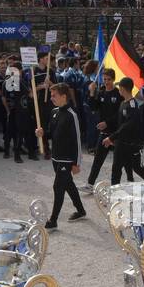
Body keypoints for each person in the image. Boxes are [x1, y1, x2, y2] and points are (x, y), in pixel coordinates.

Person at [37, 82, 86, 230]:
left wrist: (77, 163)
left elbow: (77, 140)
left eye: (54, 95)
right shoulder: (54, 112)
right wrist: (42, 133)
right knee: (68, 184)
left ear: (64, 96)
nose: (51, 98)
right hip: (55, 157)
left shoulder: (73, 115)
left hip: (67, 158)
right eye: (51, 95)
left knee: (58, 187)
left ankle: (53, 221)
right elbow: (51, 132)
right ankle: (81, 210)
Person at [104, 78, 144, 184]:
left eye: (119, 88)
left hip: (131, 144)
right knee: (116, 169)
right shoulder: (123, 103)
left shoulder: (132, 105)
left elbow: (128, 125)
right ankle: (115, 192)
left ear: (122, 88)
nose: (118, 90)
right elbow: (119, 121)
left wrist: (111, 137)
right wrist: (107, 124)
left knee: (138, 168)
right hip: (121, 143)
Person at [83, 67, 121, 190]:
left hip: (116, 133)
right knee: (98, 159)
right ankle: (90, 184)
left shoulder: (118, 94)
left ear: (114, 79)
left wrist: (107, 122)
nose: (106, 82)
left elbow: (119, 114)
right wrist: (92, 92)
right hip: (104, 132)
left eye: (109, 79)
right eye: (104, 79)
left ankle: (117, 186)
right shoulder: (101, 92)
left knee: (120, 163)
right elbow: (93, 107)